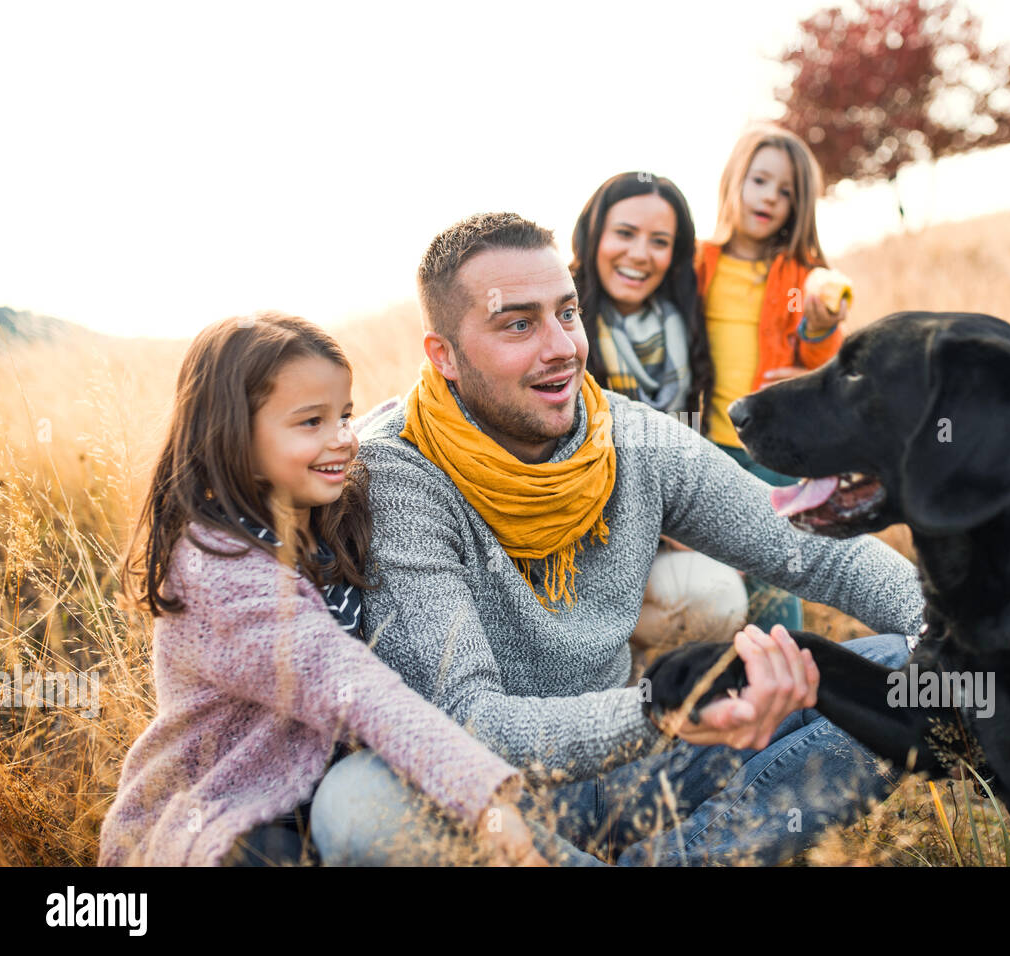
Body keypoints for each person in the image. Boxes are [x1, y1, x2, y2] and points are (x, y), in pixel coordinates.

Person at [342, 212, 927, 866]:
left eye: (567, 313)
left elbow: (804, 544)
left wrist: (959, 634)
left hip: (644, 774)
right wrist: (657, 713)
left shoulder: (625, 434)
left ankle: (685, 855)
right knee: (357, 806)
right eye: (517, 324)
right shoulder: (399, 474)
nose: (561, 347)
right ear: (443, 355)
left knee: (917, 675)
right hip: (502, 807)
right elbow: (471, 721)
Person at [98, 312, 547, 867]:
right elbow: (349, 684)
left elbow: (403, 416)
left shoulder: (322, 513)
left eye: (345, 415)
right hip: (223, 813)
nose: (344, 440)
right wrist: (483, 799)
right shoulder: (219, 570)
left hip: (322, 794)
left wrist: (473, 376)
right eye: (311, 422)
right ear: (231, 433)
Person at [570, 171, 746, 666]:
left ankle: (664, 678)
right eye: (624, 233)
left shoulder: (685, 321)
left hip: (665, 532)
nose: (640, 254)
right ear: (594, 235)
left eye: (660, 241)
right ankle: (602, 659)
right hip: (580, 541)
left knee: (721, 599)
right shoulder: (561, 321)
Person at [695, 122, 851, 633]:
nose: (770, 198)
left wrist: (819, 325)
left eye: (786, 192)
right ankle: (725, 687)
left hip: (770, 454)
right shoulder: (699, 262)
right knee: (714, 580)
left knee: (776, 575)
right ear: (734, 180)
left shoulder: (798, 273)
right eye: (760, 180)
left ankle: (791, 687)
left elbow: (818, 356)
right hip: (707, 447)